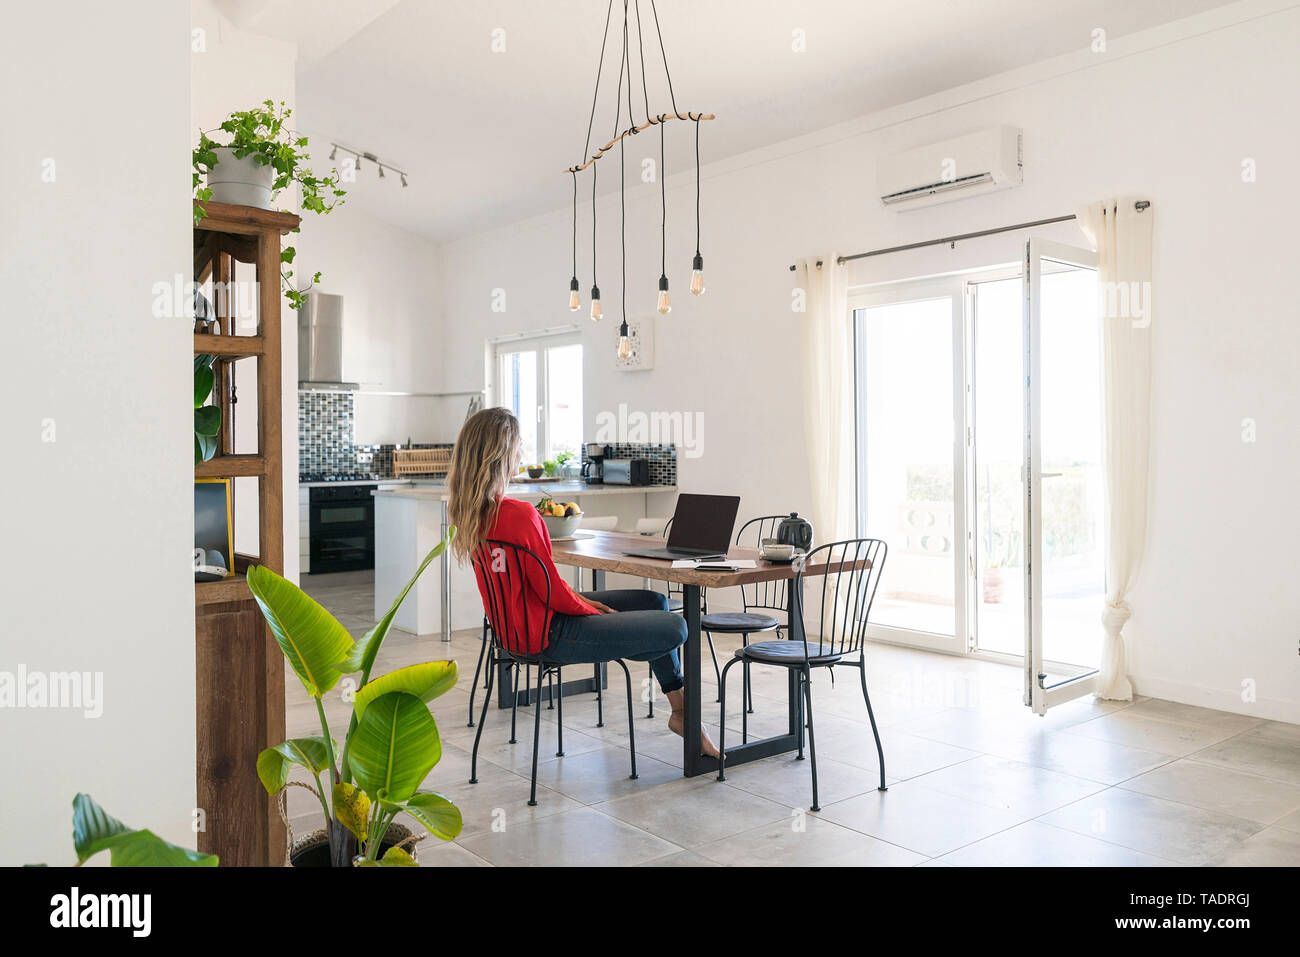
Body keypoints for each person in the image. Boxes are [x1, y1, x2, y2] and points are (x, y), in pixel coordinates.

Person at [446, 406, 720, 757]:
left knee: (652, 603)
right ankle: (685, 714)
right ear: (501, 455)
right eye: (518, 446)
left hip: (517, 632)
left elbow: (543, 588)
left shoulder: (472, 515)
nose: (522, 454)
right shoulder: (521, 515)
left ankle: (680, 711)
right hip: (550, 635)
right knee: (675, 627)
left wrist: (582, 603)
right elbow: (553, 594)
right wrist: (588, 609)